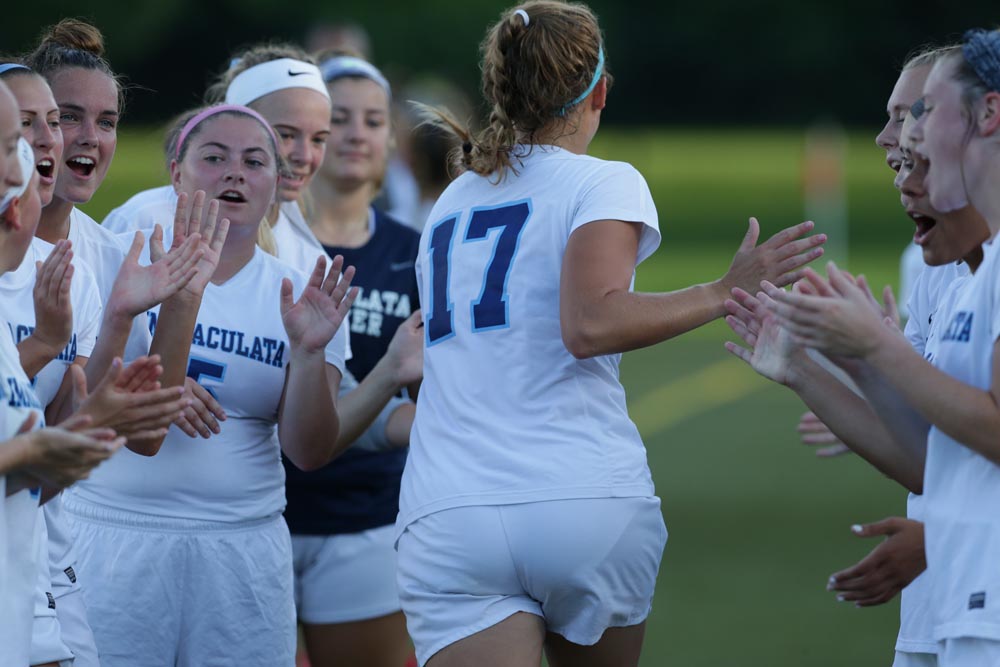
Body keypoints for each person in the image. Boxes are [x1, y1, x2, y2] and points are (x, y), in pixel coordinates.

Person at [394, 4, 826, 665]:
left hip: (451, 508)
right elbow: (590, 323)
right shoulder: (603, 180)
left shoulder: (454, 197)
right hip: (579, 496)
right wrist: (720, 289)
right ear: (599, 89)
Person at [65, 104, 355, 666]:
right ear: (176, 171)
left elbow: (309, 451)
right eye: (214, 157)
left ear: (277, 186)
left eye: (254, 162)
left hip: (241, 545)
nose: (235, 174)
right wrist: (157, 382)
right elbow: (91, 397)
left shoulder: (301, 289)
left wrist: (309, 351)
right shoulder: (119, 257)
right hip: (116, 533)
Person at [753, 29, 1000, 666]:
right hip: (959, 603)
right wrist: (814, 368)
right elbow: (937, 465)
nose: (901, 143)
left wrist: (876, 351)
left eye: (920, 117)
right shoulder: (970, 269)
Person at [283, 52, 419, 667]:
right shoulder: (267, 240)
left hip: (366, 518)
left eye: (373, 119)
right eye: (339, 118)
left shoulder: (416, 253)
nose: (357, 133)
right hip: (258, 513)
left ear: (391, 138)